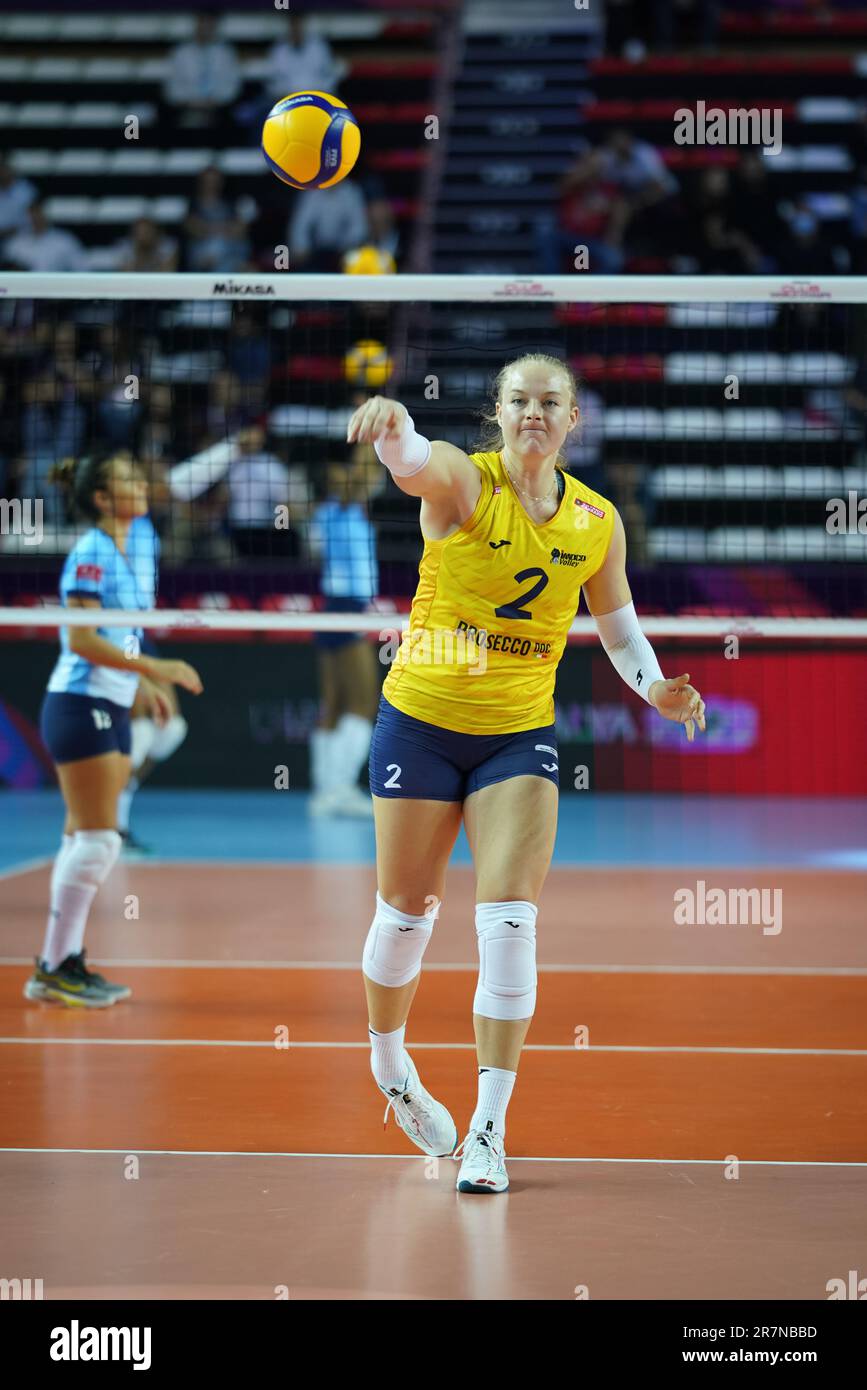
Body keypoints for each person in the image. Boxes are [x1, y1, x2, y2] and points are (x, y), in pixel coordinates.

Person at [346, 355, 706, 1194]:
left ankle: (488, 1130)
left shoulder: (596, 521)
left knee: (509, 922)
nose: (533, 414)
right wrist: (394, 424)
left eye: (550, 403)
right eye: (519, 401)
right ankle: (391, 1069)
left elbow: (618, 631)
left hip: (516, 736)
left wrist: (654, 688)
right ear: (498, 414)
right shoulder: (465, 487)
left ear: (572, 419)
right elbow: (413, 459)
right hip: (421, 725)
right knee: (405, 916)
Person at [27, 450, 202, 1008]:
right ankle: (56, 966)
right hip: (79, 704)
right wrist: (157, 668)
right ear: (102, 499)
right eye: (126, 479)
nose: (140, 483)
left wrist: (141, 684)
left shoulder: (141, 540)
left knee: (83, 838)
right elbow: (80, 639)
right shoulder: (90, 553)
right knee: (99, 840)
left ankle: (59, 964)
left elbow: (125, 630)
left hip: (110, 700)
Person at [307, 460, 380, 818]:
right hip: (346, 607)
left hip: (334, 606)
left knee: (333, 703)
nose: (348, 478)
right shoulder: (339, 508)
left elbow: (363, 481)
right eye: (341, 474)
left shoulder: (332, 513)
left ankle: (324, 791)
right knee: (364, 703)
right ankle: (339, 788)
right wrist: (376, 424)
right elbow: (363, 479)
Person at [117, 509, 190, 855]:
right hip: (119, 629)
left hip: (141, 630)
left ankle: (114, 813)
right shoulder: (112, 530)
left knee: (170, 728)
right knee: (141, 726)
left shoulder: (148, 525)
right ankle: (108, 825)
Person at [163, 13, 241, 131]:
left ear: (215, 27)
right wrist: (191, 101)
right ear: (196, 25)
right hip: (187, 106)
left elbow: (232, 85)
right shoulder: (181, 53)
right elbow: (171, 87)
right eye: (202, 24)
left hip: (218, 108)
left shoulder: (226, 53)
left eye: (209, 25)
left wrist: (215, 101)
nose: (205, 29)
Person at [3, 199, 88, 273]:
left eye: (39, 212)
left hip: (55, 289)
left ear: (47, 213)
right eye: (32, 212)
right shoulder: (15, 243)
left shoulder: (65, 241)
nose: (36, 217)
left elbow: (82, 270)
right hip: (23, 290)